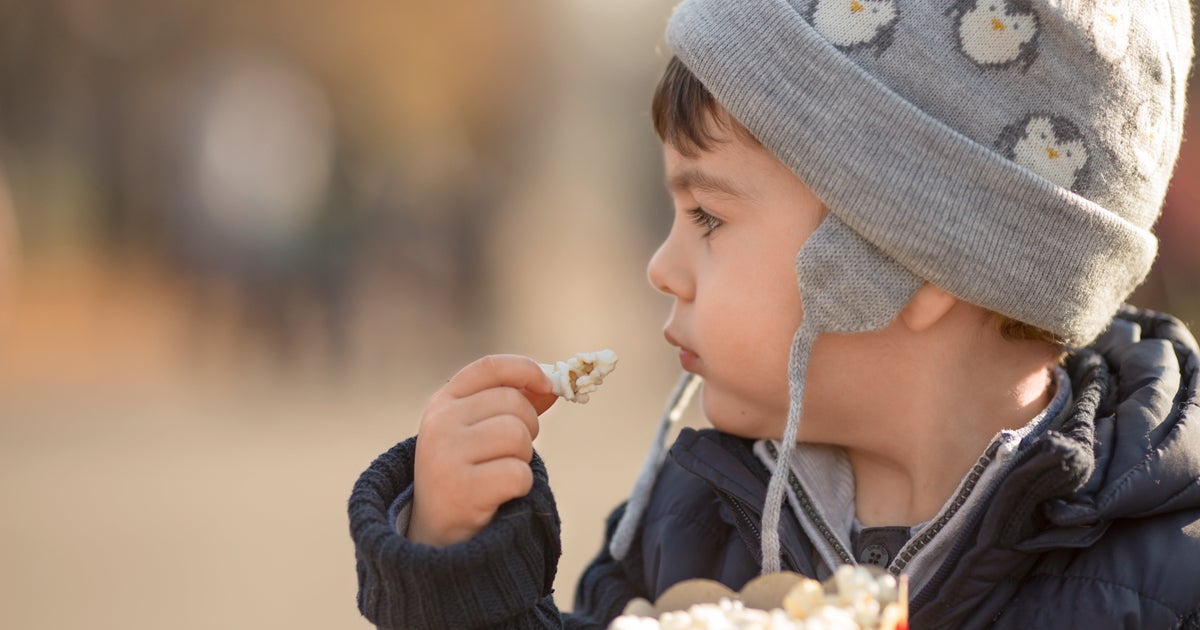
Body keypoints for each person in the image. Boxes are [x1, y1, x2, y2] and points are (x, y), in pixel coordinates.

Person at [349, 0, 1200, 627]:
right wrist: (455, 574)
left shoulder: (1166, 580)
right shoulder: (693, 519)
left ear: (920, 248)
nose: (661, 267)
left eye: (709, 218)